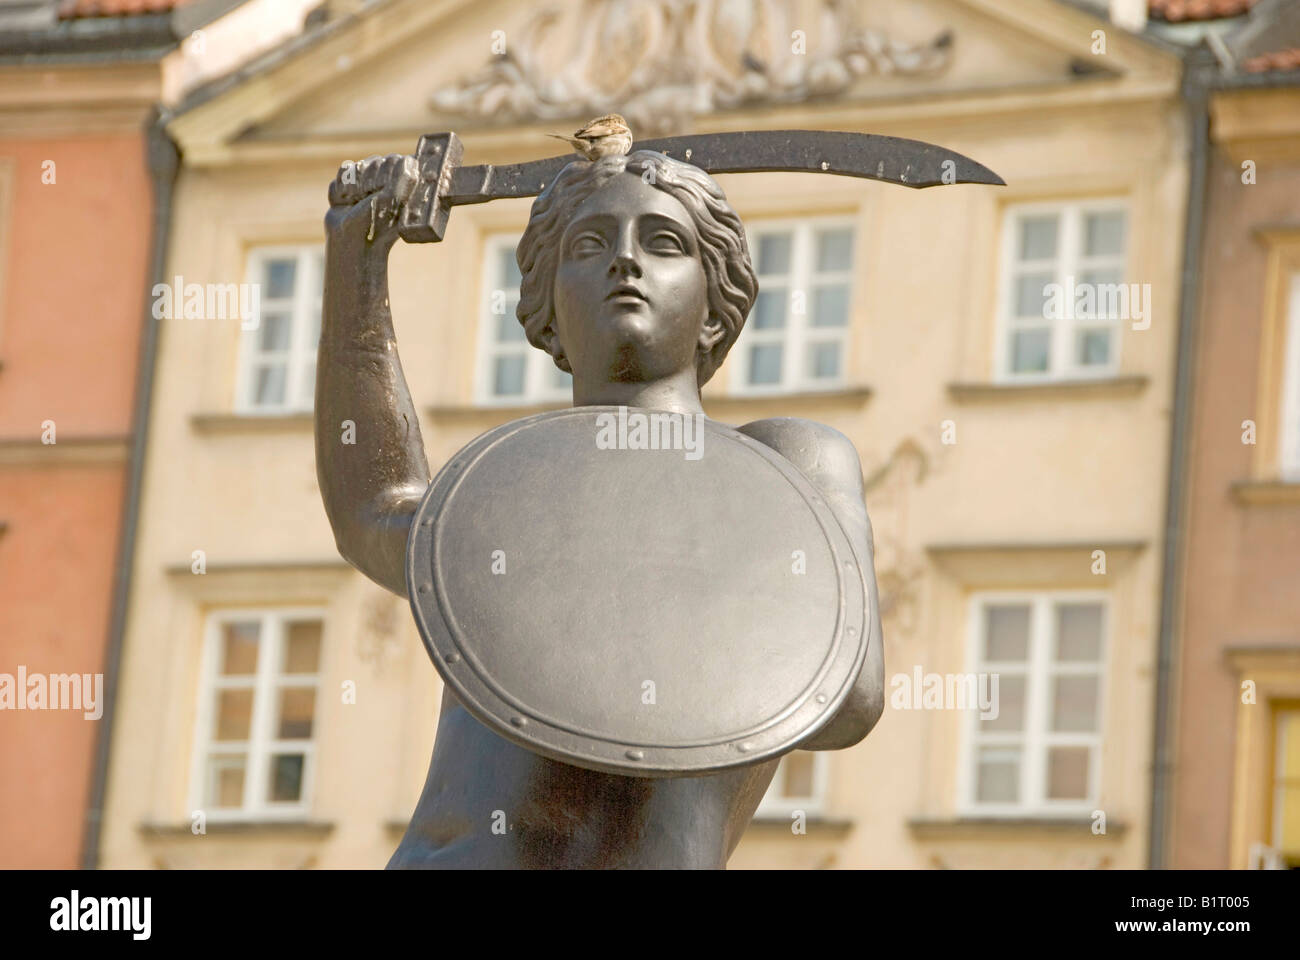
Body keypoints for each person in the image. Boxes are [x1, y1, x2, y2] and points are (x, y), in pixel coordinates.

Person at [316, 148, 885, 868]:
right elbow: (374, 512)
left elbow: (848, 697)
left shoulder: (784, 464)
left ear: (716, 306)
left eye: (664, 242)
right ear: (547, 310)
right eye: (591, 244)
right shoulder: (510, 481)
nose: (625, 261)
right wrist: (357, 268)